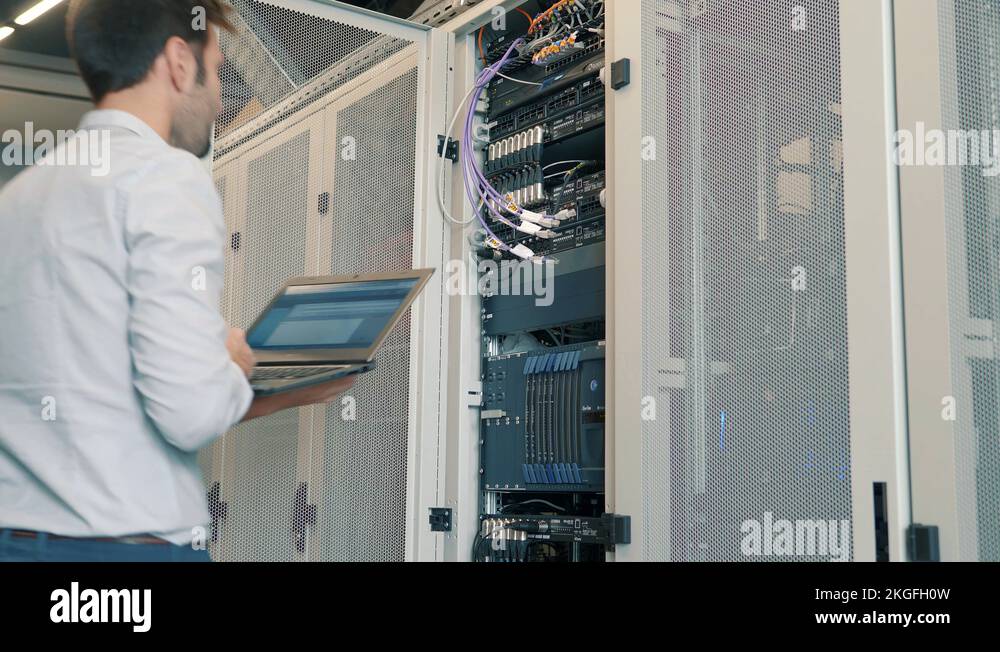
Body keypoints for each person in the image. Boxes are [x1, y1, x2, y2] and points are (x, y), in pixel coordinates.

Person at [0, 0, 353, 562]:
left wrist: (241, 387)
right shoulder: (165, 178)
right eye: (215, 70)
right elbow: (188, 414)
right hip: (126, 555)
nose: (218, 99)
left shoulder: (16, 201)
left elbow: (87, 385)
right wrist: (232, 363)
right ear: (177, 63)